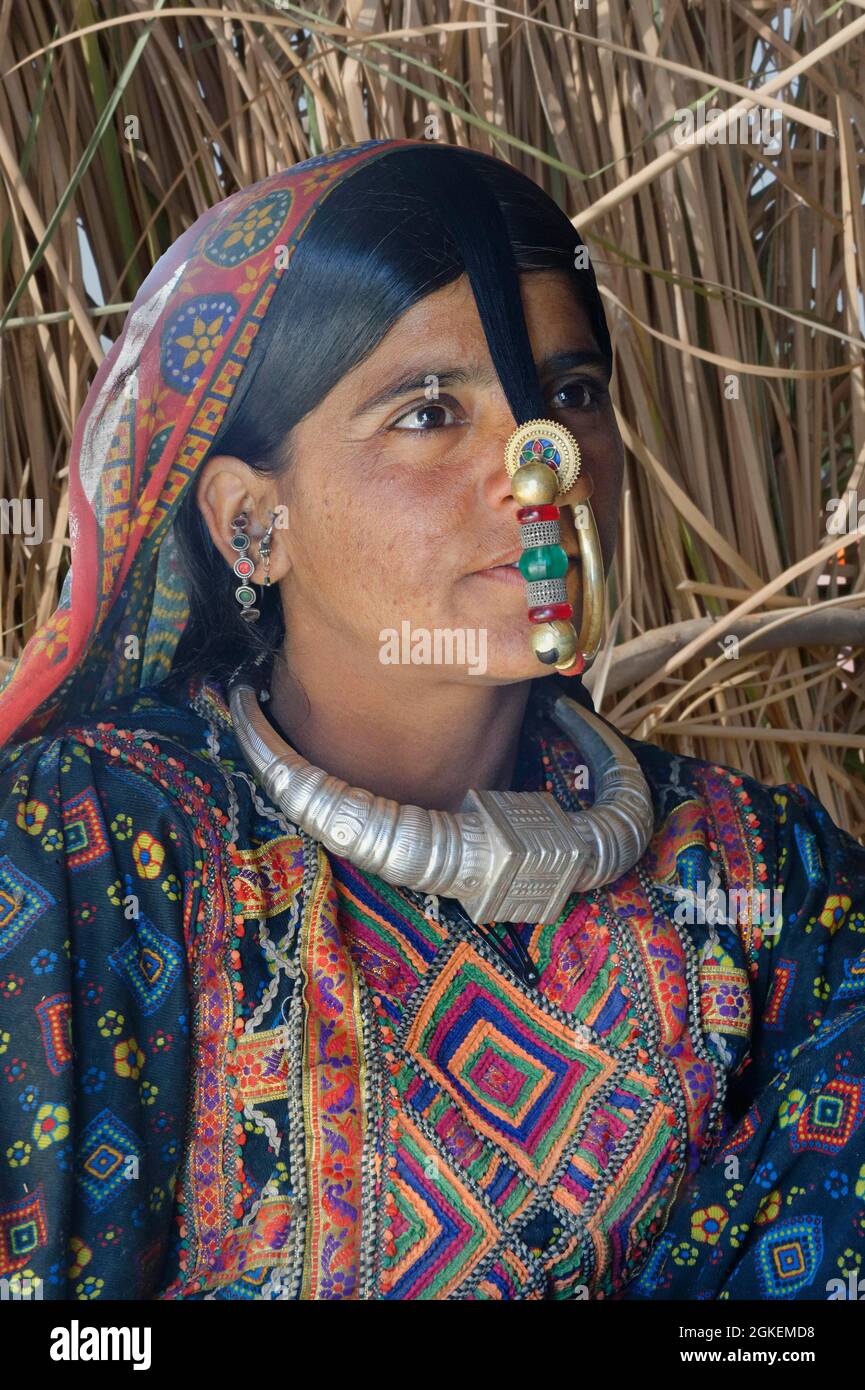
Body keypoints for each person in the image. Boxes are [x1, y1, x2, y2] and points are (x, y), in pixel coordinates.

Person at [0, 138, 863, 1303]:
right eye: (427, 410)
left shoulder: (764, 874)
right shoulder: (87, 850)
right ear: (253, 523)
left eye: (568, 393)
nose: (538, 468)